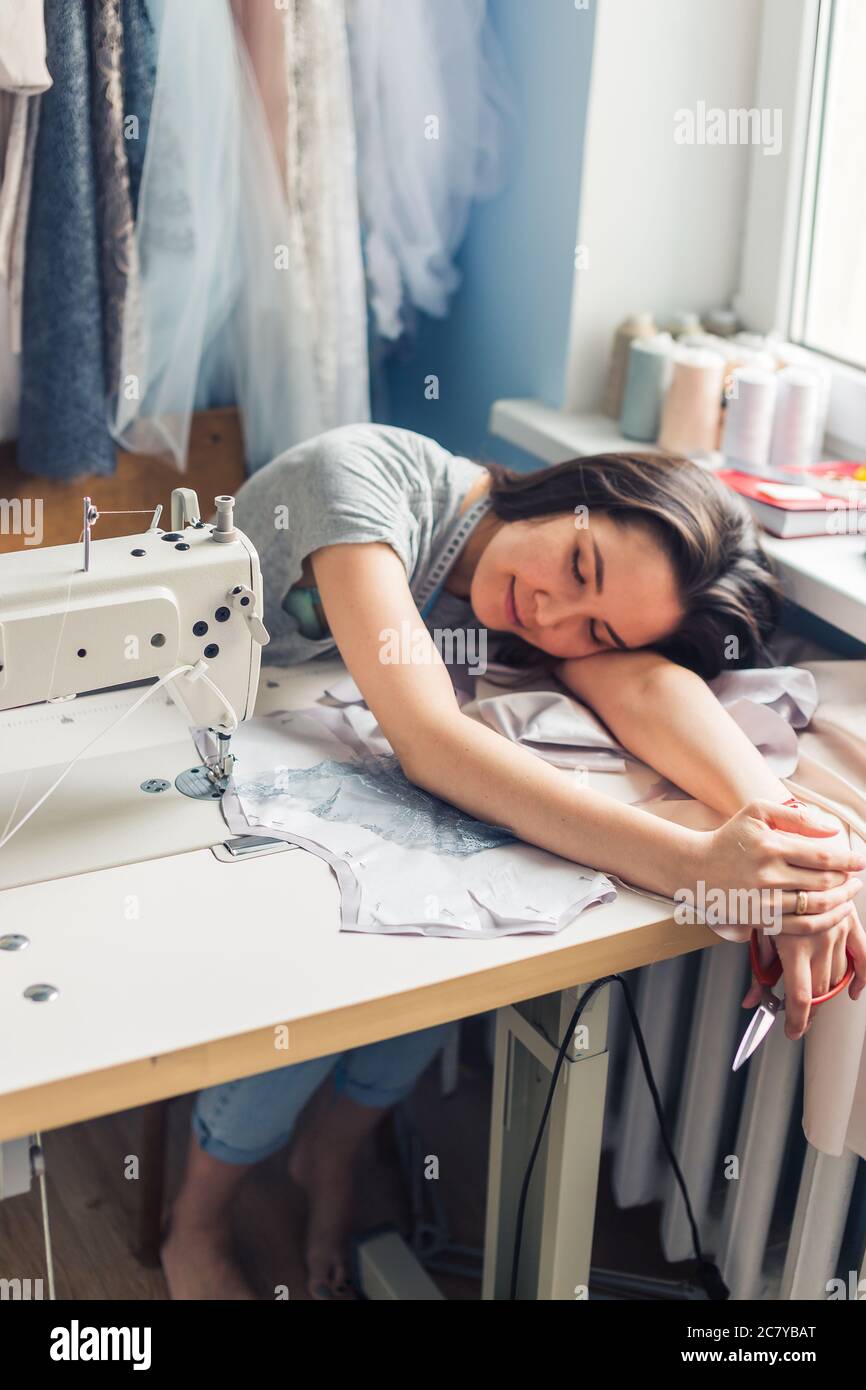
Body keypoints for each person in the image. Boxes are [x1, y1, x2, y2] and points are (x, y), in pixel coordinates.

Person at [161, 423, 866, 1300]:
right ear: (576, 488)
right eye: (579, 567)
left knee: (441, 961)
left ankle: (329, 1158)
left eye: (596, 625)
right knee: (306, 1000)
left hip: (294, 752)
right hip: (162, 736)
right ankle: (195, 1222)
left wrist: (795, 848)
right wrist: (696, 866)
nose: (550, 614)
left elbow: (645, 687)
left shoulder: (536, 604)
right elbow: (428, 740)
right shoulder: (361, 480)